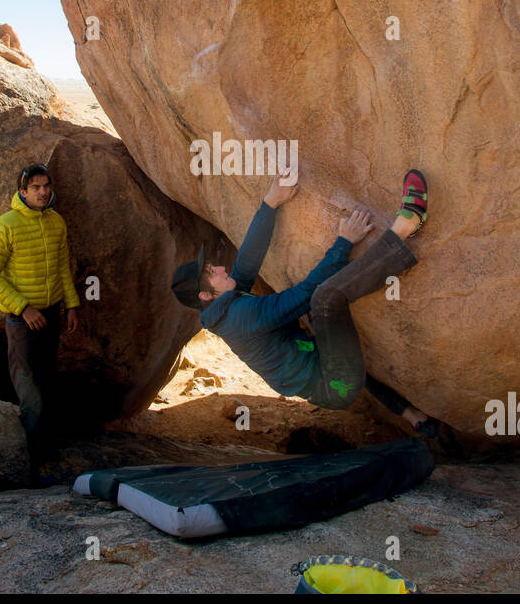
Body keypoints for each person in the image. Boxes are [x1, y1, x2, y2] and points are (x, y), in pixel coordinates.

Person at [172, 169, 438, 435]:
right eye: (211, 273)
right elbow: (307, 295)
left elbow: (247, 262)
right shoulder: (241, 318)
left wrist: (270, 202)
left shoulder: (223, 305)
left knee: (321, 328)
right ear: (205, 295)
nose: (219, 268)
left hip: (320, 363)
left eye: (211, 266)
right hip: (334, 385)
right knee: (324, 300)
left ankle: (413, 415)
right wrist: (344, 242)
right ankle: (404, 229)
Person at [0, 163, 80, 486]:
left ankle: (45, 457)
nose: (43, 192)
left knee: (47, 382)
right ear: (22, 192)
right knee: (30, 390)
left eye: (46, 186)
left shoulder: (56, 222)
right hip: (21, 321)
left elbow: (63, 266)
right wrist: (23, 308)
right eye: (35, 187)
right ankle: (30, 468)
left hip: (50, 315)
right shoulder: (3, 227)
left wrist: (72, 305)